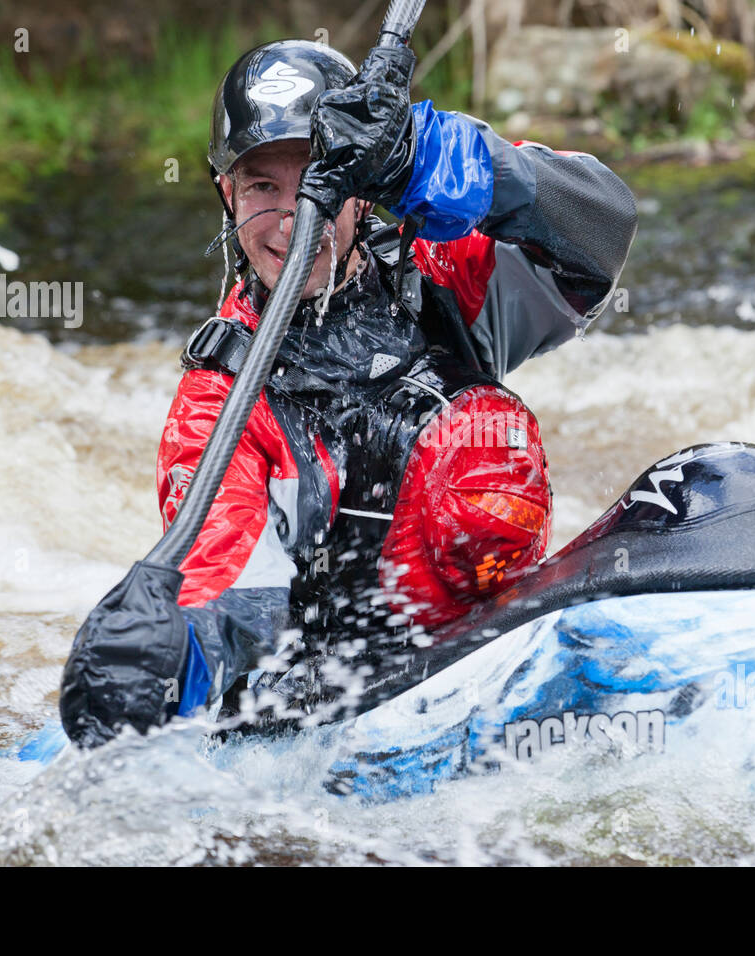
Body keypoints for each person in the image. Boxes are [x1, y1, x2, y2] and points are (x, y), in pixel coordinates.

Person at [150, 38, 636, 725]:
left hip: (488, 668)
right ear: (225, 194)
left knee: (479, 442)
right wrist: (169, 653)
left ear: (363, 190)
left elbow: (601, 228)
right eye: (263, 185)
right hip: (336, 727)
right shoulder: (218, 404)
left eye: (321, 179)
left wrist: (422, 156)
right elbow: (229, 587)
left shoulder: (442, 275)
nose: (296, 219)